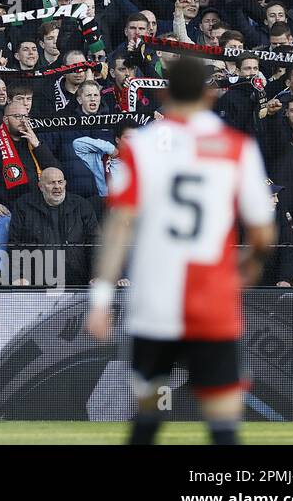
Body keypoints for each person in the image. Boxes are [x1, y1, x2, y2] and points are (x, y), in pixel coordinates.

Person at [86, 59, 275, 446]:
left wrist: (101, 298)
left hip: (154, 299)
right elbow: (262, 231)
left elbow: (119, 224)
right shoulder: (236, 148)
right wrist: (250, 263)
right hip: (213, 298)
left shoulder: (141, 147)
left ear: (166, 94)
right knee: (222, 417)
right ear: (210, 94)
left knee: (148, 407)